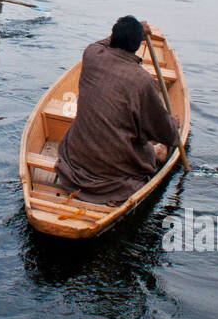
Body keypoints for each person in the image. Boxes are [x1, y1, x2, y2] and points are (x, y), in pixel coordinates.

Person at [54, 16, 181, 205]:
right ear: (137, 45)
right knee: (154, 133)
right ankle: (156, 152)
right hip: (115, 168)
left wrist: (132, 30)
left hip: (77, 157)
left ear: (113, 37)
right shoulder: (143, 81)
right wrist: (174, 127)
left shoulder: (91, 54)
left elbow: (104, 42)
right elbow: (167, 133)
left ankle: (153, 152)